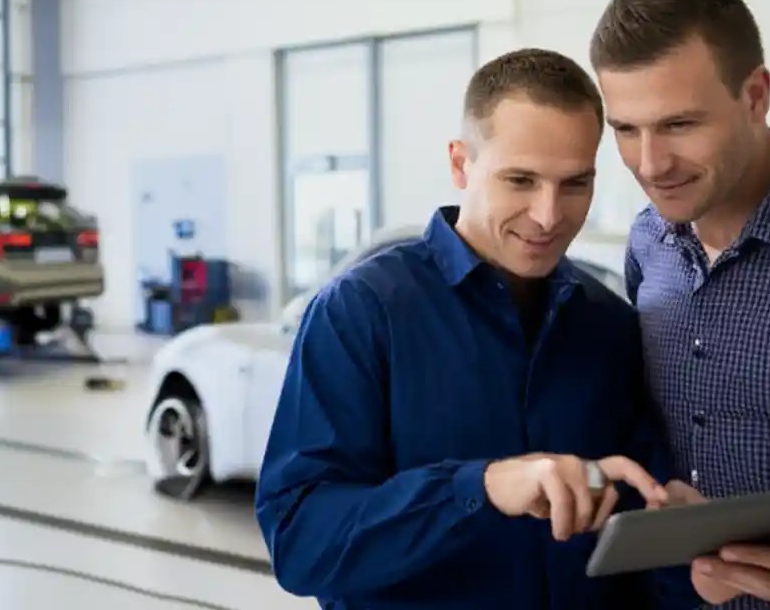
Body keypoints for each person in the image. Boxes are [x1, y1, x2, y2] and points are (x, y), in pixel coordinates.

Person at [254, 48, 690, 609]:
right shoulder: (360, 313)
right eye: (520, 180)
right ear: (461, 164)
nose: (548, 214)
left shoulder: (608, 324)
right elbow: (299, 541)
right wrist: (481, 488)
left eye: (575, 183)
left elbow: (638, 543)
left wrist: (681, 540)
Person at [590, 0, 770, 610]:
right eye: (625, 129)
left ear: (756, 94)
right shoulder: (647, 243)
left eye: (679, 124)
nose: (650, 164)